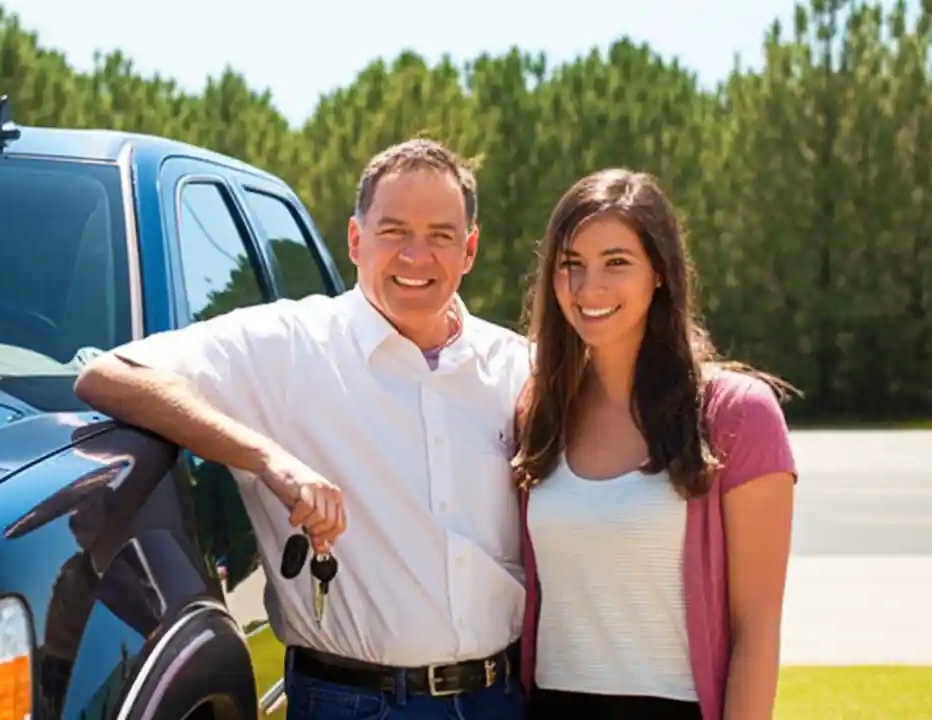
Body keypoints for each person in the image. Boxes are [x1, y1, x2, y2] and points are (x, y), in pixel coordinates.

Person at [73, 138, 531, 718]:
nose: (417, 257)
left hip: (503, 698)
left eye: (440, 235)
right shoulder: (290, 345)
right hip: (356, 703)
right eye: (394, 232)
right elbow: (109, 375)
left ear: (469, 250)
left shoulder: (518, 366)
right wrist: (270, 459)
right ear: (355, 240)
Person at [509, 168, 798, 720]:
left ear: (660, 272)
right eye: (571, 265)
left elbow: (756, 631)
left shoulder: (736, 415)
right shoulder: (537, 413)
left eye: (616, 262)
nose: (589, 287)